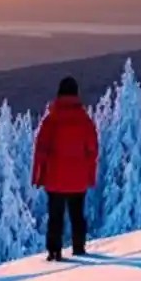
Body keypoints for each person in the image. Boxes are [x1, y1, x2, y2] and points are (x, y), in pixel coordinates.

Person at [32, 76, 99, 261]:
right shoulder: (85, 120)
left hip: (55, 179)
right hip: (78, 180)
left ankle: (54, 252)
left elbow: (41, 151)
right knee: (77, 215)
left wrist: (38, 176)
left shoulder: (51, 120)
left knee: (56, 217)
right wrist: (90, 177)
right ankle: (79, 248)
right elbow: (92, 151)